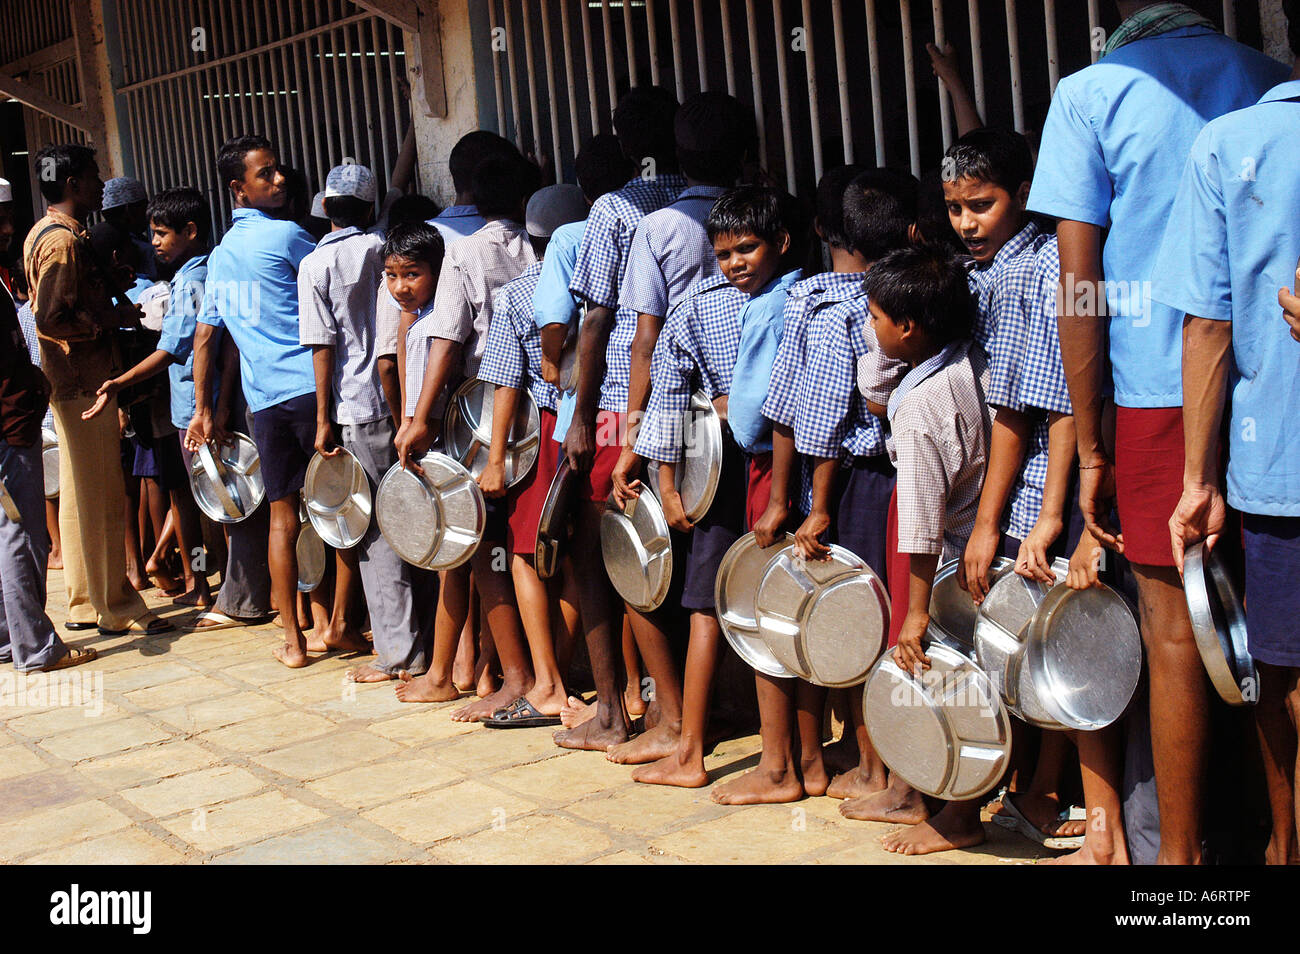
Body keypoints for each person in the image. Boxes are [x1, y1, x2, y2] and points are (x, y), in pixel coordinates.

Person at [1028, 0, 1288, 865]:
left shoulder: (1090, 93)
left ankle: (1178, 865)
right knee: (1270, 633)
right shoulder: (1265, 77)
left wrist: (1089, 436)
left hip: (1151, 392)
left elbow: (1078, 282)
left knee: (1179, 633)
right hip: (1266, 381)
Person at [1159, 3, 1300, 865]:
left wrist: (1197, 479)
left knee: (1283, 673)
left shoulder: (1229, 145)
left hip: (1279, 457)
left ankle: (1286, 847)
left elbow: (1208, 325)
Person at [602, 92, 756, 768]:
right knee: (731, 570)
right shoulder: (764, 218)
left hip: (684, 425)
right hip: (746, 422)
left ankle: (676, 722)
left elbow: (644, 341)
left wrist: (633, 441)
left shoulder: (656, 226)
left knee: (669, 571)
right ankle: (715, 711)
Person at [627, 185, 787, 789]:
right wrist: (666, 483)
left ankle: (790, 757)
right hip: (717, 474)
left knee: (773, 604)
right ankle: (690, 748)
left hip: (779, 473)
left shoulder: (799, 300)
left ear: (782, 244)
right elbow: (667, 393)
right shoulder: (699, 306)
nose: (735, 263)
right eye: (724, 253)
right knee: (705, 608)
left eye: (747, 249)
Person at [553, 86, 685, 752]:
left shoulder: (615, 208)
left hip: (617, 410)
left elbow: (598, 318)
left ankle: (614, 711)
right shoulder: (706, 199)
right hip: (692, 406)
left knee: (605, 549)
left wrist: (579, 416)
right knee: (673, 553)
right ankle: (675, 708)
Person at [394, 152, 540, 721]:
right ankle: (484, 671)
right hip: (532, 412)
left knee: (480, 549)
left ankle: (515, 676)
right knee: (518, 549)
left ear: (470, 198)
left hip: (478, 420)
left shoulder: (464, 254)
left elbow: (448, 341)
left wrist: (420, 415)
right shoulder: (534, 247)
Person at [865, 245, 992, 854]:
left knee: (954, 686)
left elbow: (918, 524)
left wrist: (915, 612)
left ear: (908, 326)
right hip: (985, 550)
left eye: (876, 316)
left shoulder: (918, 405)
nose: (870, 325)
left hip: (948, 565)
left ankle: (960, 816)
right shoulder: (964, 362)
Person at [186, 134, 328, 668]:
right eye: (265, 174)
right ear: (237, 188)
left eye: (277, 170)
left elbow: (205, 336)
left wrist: (205, 406)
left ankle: (294, 640)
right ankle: (333, 625)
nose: (279, 180)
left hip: (264, 399)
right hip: (310, 393)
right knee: (336, 505)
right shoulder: (290, 236)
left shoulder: (220, 256)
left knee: (282, 517)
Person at [23, 143, 169, 638]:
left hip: (70, 384)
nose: (100, 184)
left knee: (81, 494)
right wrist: (115, 317)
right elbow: (51, 317)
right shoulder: (62, 242)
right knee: (104, 495)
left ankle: (85, 600)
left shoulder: (44, 231)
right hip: (86, 383)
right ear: (71, 184)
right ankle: (116, 604)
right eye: (91, 176)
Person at [299, 162, 433, 683]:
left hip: (355, 406)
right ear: (373, 207)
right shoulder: (386, 247)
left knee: (375, 529)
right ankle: (418, 642)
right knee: (409, 515)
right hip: (403, 400)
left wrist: (322, 420)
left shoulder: (316, 265)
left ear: (326, 208)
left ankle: (399, 654)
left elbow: (322, 347)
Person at [475, 183, 590, 727]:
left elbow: (504, 383)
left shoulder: (521, 293)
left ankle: (547, 683)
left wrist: (495, 459)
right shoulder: (602, 285)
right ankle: (567, 676)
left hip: (547, 431)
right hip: (604, 425)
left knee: (526, 553)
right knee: (578, 555)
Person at [81, 188, 221, 611]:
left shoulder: (192, 281)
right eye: (152, 233)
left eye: (161, 233)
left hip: (191, 411)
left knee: (195, 504)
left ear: (191, 231)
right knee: (193, 502)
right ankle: (204, 580)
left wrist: (118, 383)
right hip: (192, 406)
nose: (154, 242)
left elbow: (172, 349)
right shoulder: (198, 272)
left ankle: (204, 584)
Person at [101, 176, 158, 281]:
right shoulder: (149, 252)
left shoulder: (99, 247)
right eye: (145, 206)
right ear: (129, 211)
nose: (149, 212)